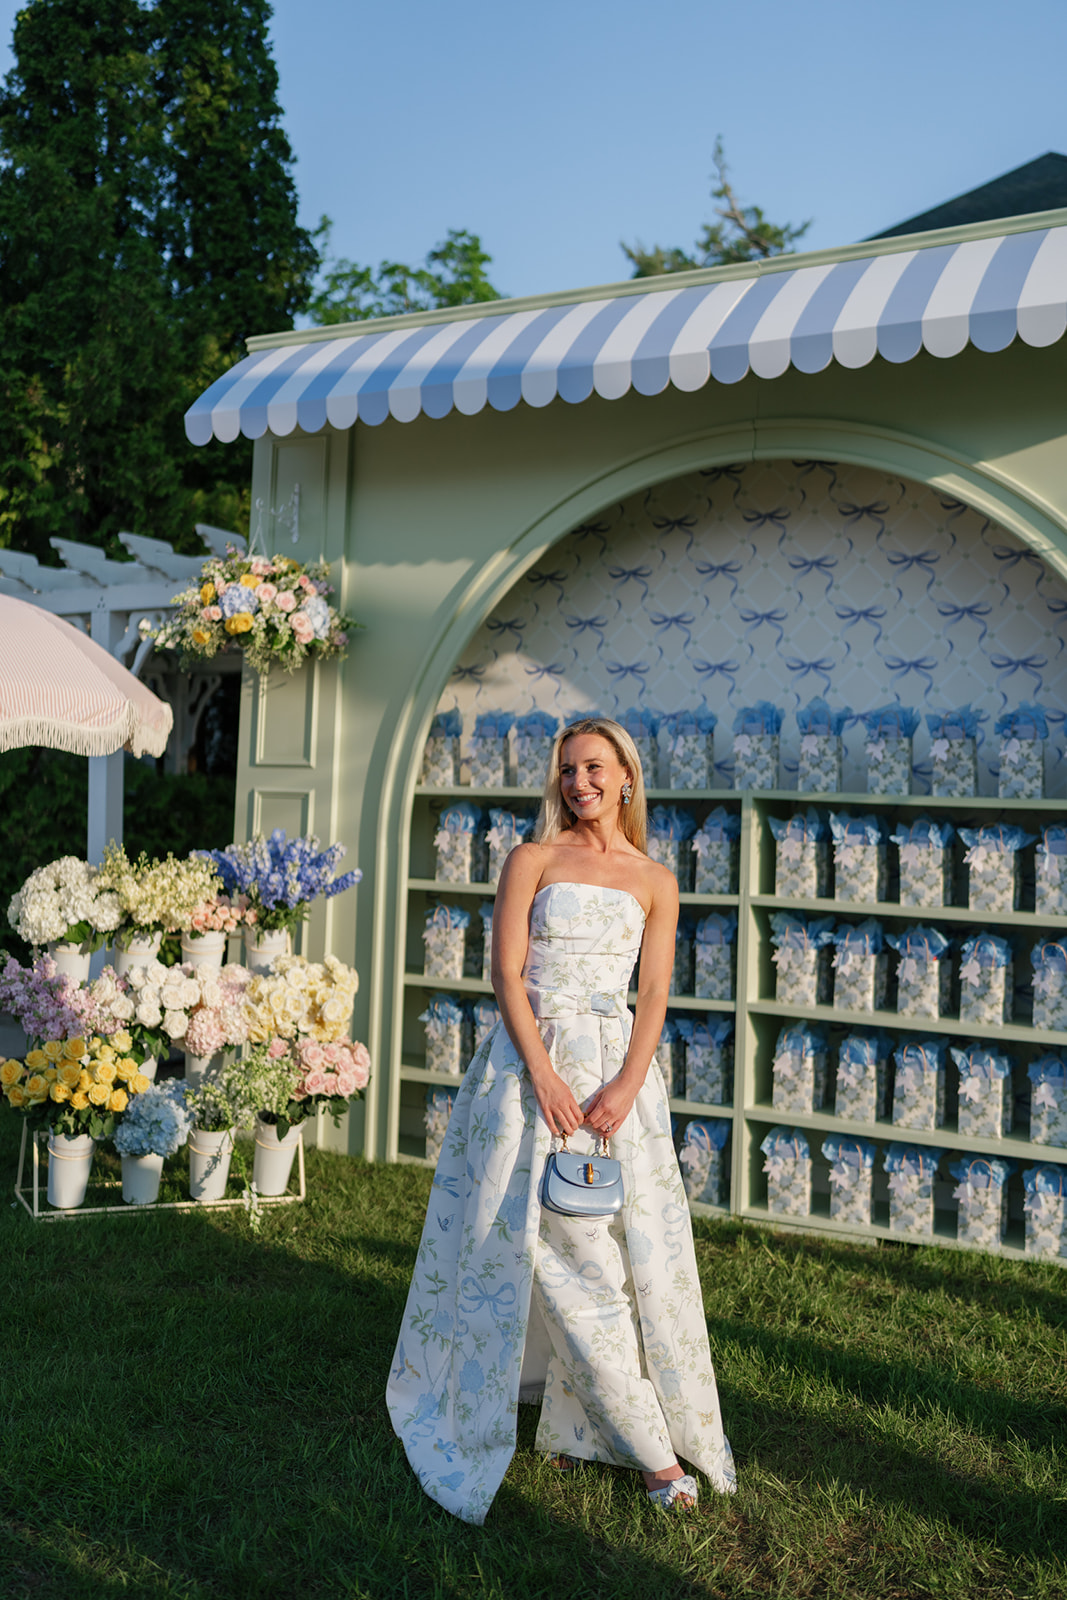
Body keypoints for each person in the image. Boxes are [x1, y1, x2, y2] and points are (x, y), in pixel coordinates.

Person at [387, 717, 735, 1524]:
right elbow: (505, 974)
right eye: (567, 770)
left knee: (605, 1246)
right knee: (544, 1241)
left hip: (615, 1079)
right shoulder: (531, 860)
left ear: (625, 778)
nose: (577, 783)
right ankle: (653, 1455)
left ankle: (586, 1405)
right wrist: (542, 1073)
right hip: (527, 1072)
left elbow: (652, 995)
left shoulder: (654, 879)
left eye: (593, 768)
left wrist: (625, 1083)